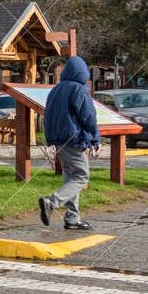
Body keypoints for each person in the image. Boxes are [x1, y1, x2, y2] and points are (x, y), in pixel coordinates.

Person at [39, 55, 101, 231]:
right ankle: (52, 201)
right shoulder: (78, 90)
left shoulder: (56, 89)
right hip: (74, 139)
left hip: (59, 141)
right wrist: (94, 137)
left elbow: (48, 115)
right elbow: (88, 116)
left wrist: (51, 138)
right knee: (81, 176)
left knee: (71, 177)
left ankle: (72, 219)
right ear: (82, 73)